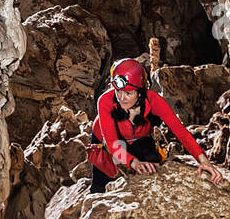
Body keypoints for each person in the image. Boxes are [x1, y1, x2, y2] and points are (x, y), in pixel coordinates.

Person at [88, 57, 223, 192]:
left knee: (152, 168)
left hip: (140, 136)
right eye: (118, 91)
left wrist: (204, 161)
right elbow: (113, 144)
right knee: (102, 181)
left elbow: (181, 132)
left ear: (140, 92)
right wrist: (133, 163)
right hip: (107, 138)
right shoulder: (105, 101)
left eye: (128, 93)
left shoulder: (153, 100)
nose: (122, 98)